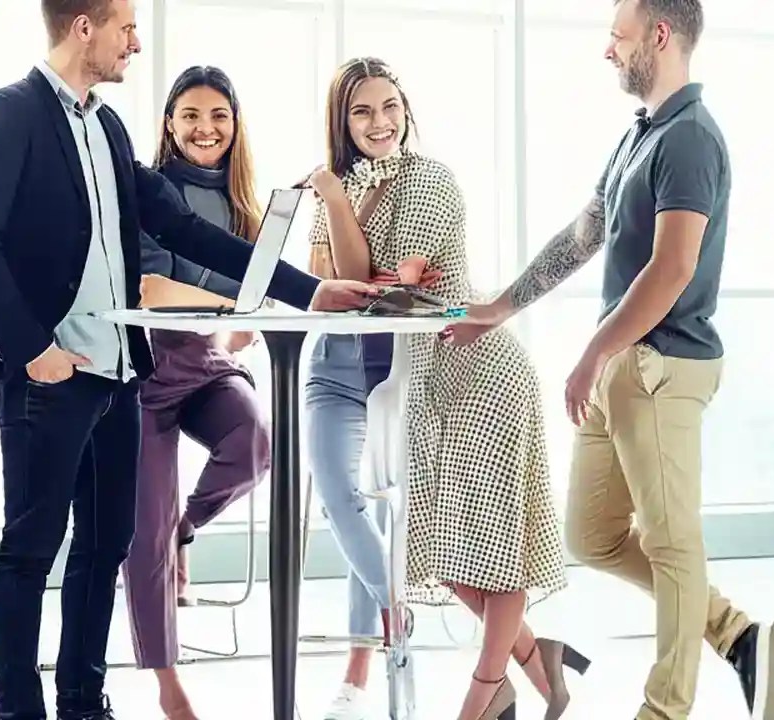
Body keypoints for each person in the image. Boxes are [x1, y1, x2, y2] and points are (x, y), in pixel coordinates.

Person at [0, 2, 374, 718]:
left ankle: (84, 700)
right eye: (125, 27)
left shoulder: (106, 127)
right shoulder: (10, 113)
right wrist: (33, 351)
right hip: (48, 373)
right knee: (31, 547)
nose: (135, 43)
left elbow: (177, 227)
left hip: (116, 372)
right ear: (84, 27)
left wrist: (309, 290)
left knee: (107, 541)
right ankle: (19, 710)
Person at [449, 2, 774, 718]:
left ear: (659, 36)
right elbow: (582, 236)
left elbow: (671, 269)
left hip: (661, 365)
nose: (607, 51)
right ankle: (734, 631)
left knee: (671, 540)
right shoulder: (643, 134)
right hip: (622, 368)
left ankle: (664, 709)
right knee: (592, 536)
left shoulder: (691, 137)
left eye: (618, 36)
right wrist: (500, 308)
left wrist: (591, 353)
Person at [304, 56, 586, 720]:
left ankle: (484, 696)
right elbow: (338, 280)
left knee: (495, 538)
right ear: (342, 123)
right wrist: (342, 203)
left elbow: (391, 286)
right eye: (363, 111)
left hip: (481, 368)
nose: (381, 122)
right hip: (424, 378)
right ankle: (537, 665)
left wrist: (343, 226)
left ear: (407, 110)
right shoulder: (344, 185)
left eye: (391, 106)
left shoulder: (430, 180)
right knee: (440, 550)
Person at [116, 65, 272, 720]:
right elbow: (152, 292)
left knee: (255, 440)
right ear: (169, 124)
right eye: (190, 116)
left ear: (236, 126)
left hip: (204, 360)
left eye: (218, 116)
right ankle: (167, 682)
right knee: (141, 533)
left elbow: (240, 298)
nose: (204, 129)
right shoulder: (149, 191)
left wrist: (236, 325)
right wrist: (228, 302)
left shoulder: (244, 204)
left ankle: (186, 531)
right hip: (148, 366)